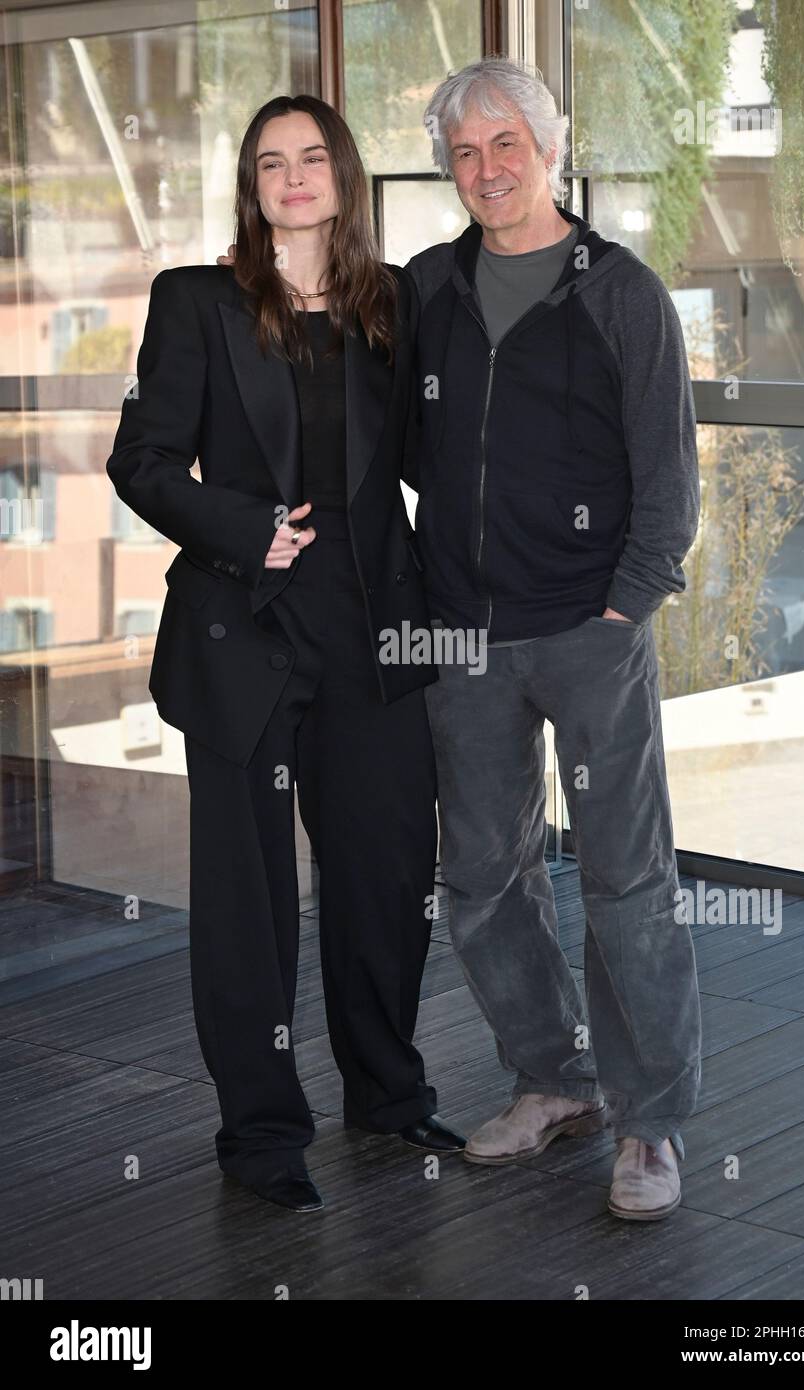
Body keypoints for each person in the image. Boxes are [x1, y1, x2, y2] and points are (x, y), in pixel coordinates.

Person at [107, 94, 464, 1214]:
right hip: (245, 638)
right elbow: (143, 461)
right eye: (271, 162)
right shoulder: (198, 302)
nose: (293, 176)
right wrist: (241, 527)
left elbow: (427, 452)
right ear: (251, 184)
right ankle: (261, 1132)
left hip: (372, 633)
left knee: (386, 874)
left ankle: (387, 1092)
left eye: (312, 157)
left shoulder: (391, 302)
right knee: (249, 901)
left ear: (342, 176)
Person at [404, 57, 702, 1221]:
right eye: (463, 152)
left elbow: (666, 479)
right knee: (481, 878)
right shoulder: (429, 285)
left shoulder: (618, 290)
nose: (485, 169)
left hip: (588, 631)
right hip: (466, 639)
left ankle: (651, 1125)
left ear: (547, 145)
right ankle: (551, 1081)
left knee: (628, 884)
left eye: (503, 144)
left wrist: (624, 603)